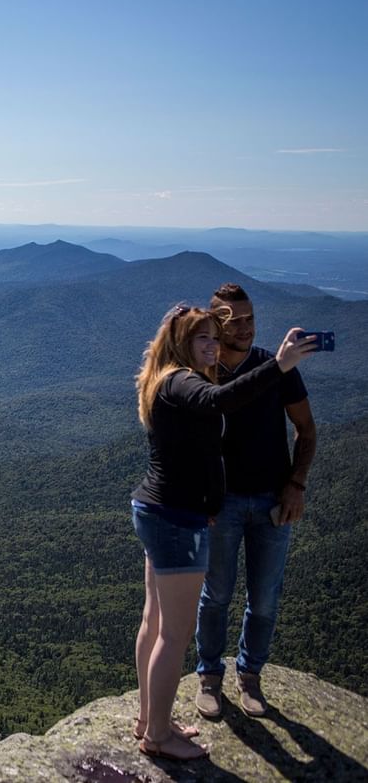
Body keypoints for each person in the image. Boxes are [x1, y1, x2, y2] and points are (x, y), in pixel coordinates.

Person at [131, 305, 314, 761]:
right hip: (176, 519)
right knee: (173, 634)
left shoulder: (164, 377)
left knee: (154, 623)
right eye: (202, 339)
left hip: (158, 510)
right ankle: (157, 736)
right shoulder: (181, 381)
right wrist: (278, 366)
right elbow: (219, 401)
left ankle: (149, 718)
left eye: (215, 337)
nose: (213, 346)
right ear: (180, 344)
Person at [194, 284, 317, 719]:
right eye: (235, 320)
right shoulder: (202, 371)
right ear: (216, 323)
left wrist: (296, 485)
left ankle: (250, 678)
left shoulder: (276, 366)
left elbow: (306, 429)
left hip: (271, 501)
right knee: (217, 594)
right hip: (220, 504)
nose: (246, 327)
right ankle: (209, 677)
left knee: (264, 597)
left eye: (250, 319)